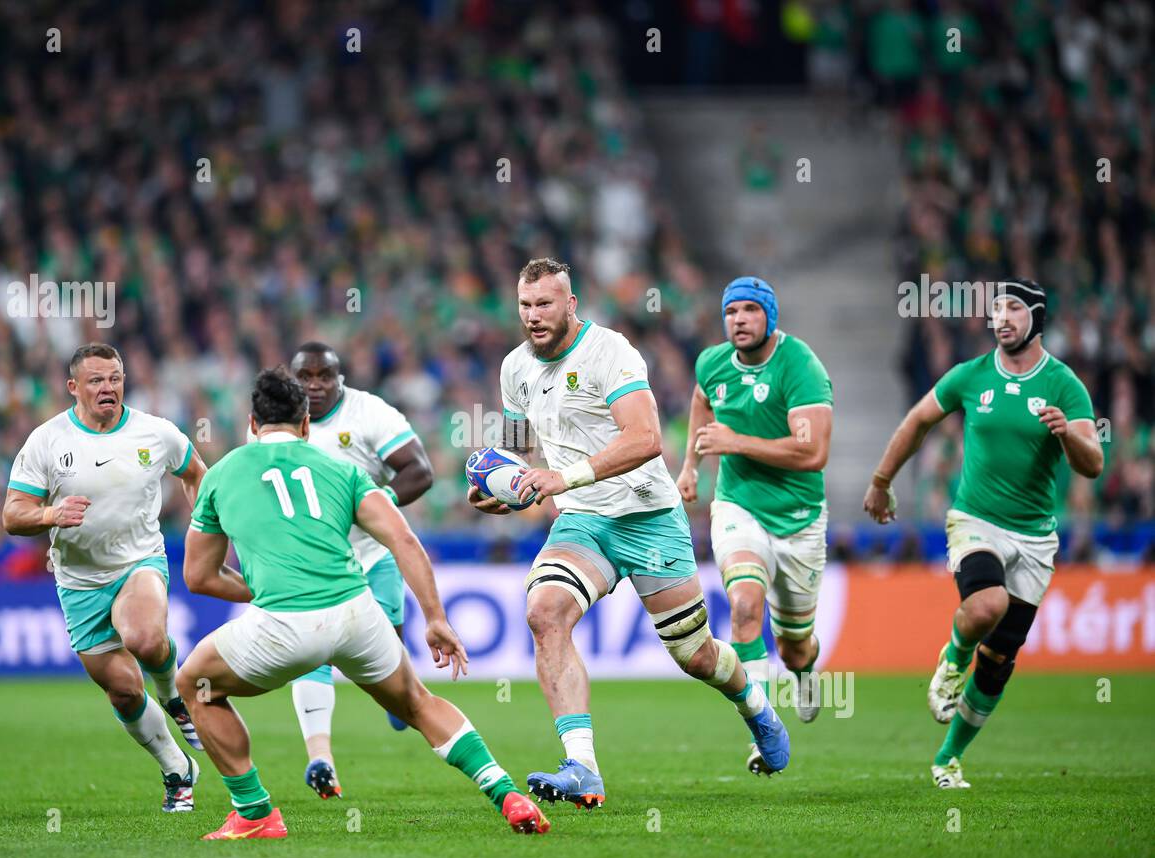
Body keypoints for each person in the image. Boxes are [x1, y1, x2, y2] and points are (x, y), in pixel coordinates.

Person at [469, 258, 791, 810]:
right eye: (525, 305)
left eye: (545, 304)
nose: (533, 316)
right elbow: (522, 456)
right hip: (582, 523)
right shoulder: (514, 369)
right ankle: (584, 769)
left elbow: (645, 438)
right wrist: (505, 492)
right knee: (544, 613)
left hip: (648, 516)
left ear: (570, 305)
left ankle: (755, 704)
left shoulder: (610, 351)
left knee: (695, 656)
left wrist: (558, 478)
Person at [179, 367, 549, 839]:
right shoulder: (343, 469)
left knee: (196, 684)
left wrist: (266, 586)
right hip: (357, 612)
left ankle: (254, 813)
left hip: (283, 624)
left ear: (252, 423)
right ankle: (508, 794)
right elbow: (404, 541)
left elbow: (199, 576)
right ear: (307, 424)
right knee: (418, 703)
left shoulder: (222, 474)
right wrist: (435, 619)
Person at [863, 279, 1103, 788]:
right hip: (976, 520)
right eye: (996, 309)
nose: (1001, 318)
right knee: (985, 606)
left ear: (1037, 317)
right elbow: (917, 421)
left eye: (1013, 308)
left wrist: (1068, 435)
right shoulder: (971, 375)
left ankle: (948, 758)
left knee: (998, 661)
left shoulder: (1063, 384)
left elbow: (1093, 464)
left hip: (1036, 538)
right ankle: (952, 659)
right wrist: (882, 480)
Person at [3, 343, 207, 812]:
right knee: (122, 690)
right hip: (78, 581)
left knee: (144, 638)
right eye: (96, 380)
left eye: (114, 377)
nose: (108, 387)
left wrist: (203, 527)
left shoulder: (155, 432)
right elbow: (13, 515)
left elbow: (195, 473)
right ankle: (177, 770)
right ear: (73, 387)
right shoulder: (48, 440)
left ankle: (175, 695)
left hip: (139, 562)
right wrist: (52, 514)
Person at [258, 342, 433, 800]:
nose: (315, 385)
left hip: (372, 553)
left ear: (341, 378)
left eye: (325, 376)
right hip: (311, 563)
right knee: (309, 650)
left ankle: (401, 694)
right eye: (306, 377)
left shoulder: (371, 413)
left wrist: (373, 507)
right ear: (292, 380)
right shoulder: (278, 421)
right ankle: (321, 757)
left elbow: (419, 470)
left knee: (387, 648)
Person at [678, 276, 834, 773]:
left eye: (749, 310)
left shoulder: (801, 366)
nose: (738, 320)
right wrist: (689, 467)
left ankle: (805, 671)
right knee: (744, 605)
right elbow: (703, 401)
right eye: (731, 312)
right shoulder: (712, 362)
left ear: (770, 316)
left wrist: (735, 442)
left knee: (793, 645)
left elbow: (812, 453)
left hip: (798, 519)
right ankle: (762, 725)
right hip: (738, 506)